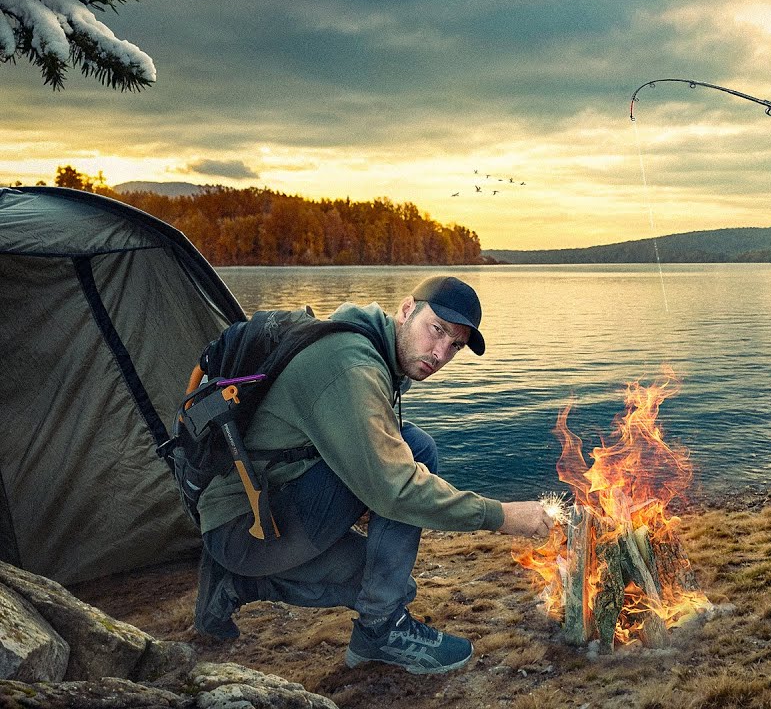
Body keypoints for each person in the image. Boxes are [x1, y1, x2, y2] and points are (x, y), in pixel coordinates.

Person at [193, 275, 555, 675]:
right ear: (405, 310)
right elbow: (395, 489)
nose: (440, 353)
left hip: (265, 500)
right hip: (247, 525)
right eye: (436, 331)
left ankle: (231, 579)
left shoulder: (362, 341)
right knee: (412, 467)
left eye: (455, 346)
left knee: (395, 553)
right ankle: (378, 630)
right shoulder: (350, 363)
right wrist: (502, 516)